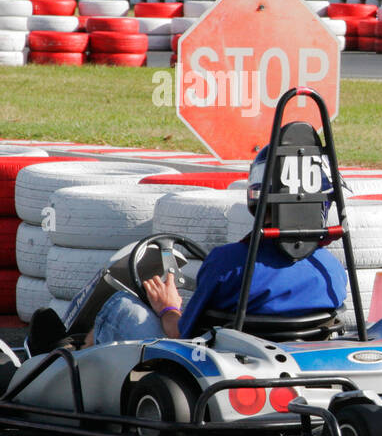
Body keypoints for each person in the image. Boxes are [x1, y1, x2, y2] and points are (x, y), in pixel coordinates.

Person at [88, 146, 348, 345]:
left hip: (228, 371)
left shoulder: (229, 262)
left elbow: (181, 335)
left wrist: (168, 308)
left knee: (121, 306)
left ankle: (65, 358)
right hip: (304, 366)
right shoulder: (331, 269)